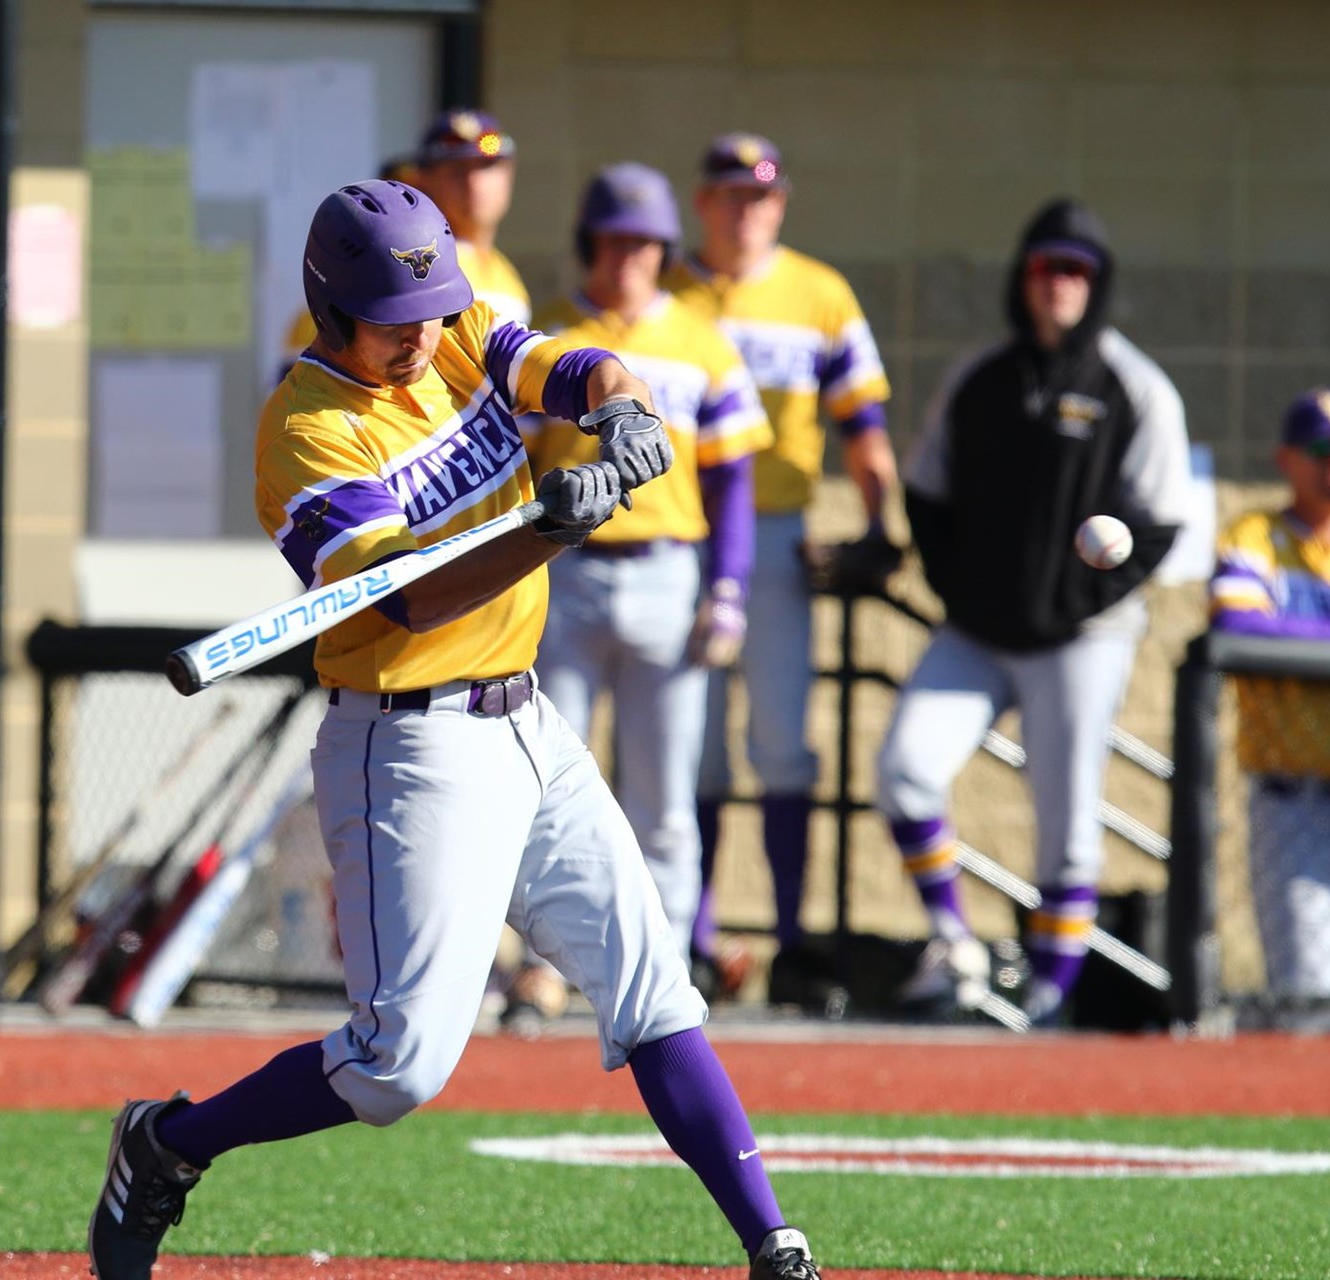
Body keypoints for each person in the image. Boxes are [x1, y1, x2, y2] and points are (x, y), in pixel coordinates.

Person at [85, 180, 822, 1280]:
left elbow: (566, 367)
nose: (424, 339)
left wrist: (619, 410)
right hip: (407, 746)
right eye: (395, 323)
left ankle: (772, 1239)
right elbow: (410, 599)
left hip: (529, 717)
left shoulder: (454, 322)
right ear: (334, 313)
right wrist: (556, 529)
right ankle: (166, 1143)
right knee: (397, 1067)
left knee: (653, 981)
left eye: (434, 312)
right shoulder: (307, 428)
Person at [875, 199, 1191, 1026]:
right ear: (1025, 277)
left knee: (1067, 818)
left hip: (1082, 638)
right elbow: (927, 490)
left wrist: (1070, 603)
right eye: (1048, 267)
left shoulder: (1135, 387)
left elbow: (1159, 522)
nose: (1060, 285)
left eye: (1077, 270)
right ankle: (957, 940)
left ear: (1098, 284)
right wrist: (960, 591)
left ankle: (1049, 996)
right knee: (905, 767)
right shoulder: (981, 376)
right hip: (977, 631)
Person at [512, 162, 772, 1028]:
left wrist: (728, 591)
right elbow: (506, 466)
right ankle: (542, 969)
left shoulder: (702, 340)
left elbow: (733, 479)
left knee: (664, 794)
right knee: (543, 778)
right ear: (590, 243)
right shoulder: (552, 337)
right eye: (615, 240)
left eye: (646, 243)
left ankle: (661, 971)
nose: (629, 257)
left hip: (669, 570)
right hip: (566, 570)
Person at [665, 133, 898, 986]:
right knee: (689, 747)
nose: (743, 210)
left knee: (781, 739)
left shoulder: (819, 293)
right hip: (678, 531)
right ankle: (694, 938)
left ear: (781, 203)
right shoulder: (664, 287)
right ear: (702, 203)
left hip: (772, 534)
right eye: (727, 193)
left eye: (758, 195)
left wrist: (882, 524)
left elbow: (863, 422)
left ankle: (793, 939)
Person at [1209, 389, 1330, 1026]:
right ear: (1287, 460)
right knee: (1308, 997)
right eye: (1321, 450)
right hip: (1295, 800)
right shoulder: (1256, 535)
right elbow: (1239, 624)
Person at [279, 110, 527, 370]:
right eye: (456, 169)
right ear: (422, 181)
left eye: (487, 166)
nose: (474, 182)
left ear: (509, 173)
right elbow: (305, 373)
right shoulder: (394, 265)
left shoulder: (502, 269)